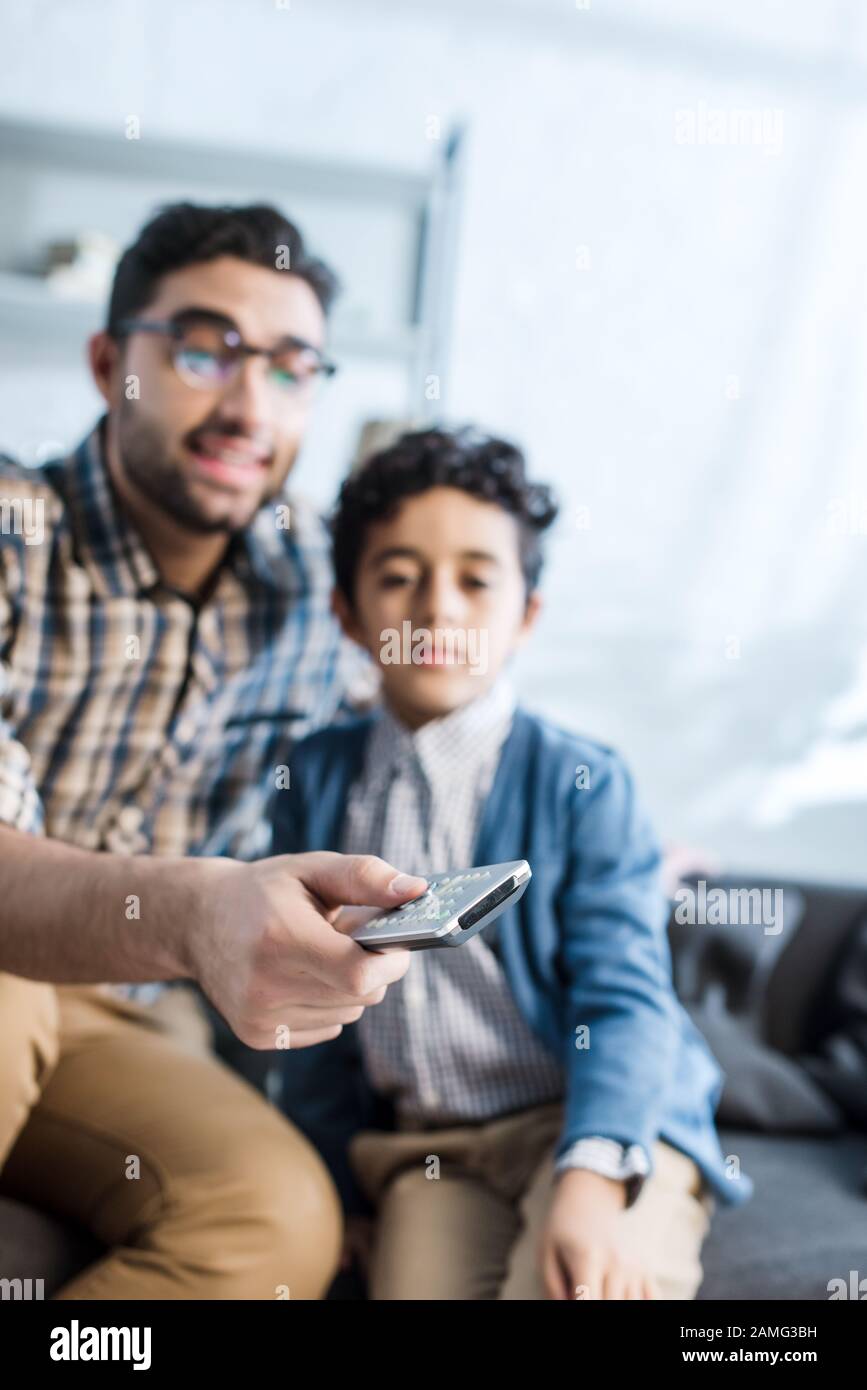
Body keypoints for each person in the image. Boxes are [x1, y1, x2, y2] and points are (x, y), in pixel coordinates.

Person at [0, 201, 428, 1299]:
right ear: (109, 363)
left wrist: (606, 832)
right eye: (204, 350)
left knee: (279, 1222)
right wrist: (196, 910)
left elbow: (448, 695)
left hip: (121, 1012)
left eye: (293, 369)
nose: (249, 406)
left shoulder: (306, 597)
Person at [274, 426, 753, 1301]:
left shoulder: (582, 783)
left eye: (475, 579)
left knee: (574, 1285)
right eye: (397, 576)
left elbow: (625, 999)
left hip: (593, 1119)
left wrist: (593, 1177)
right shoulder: (314, 777)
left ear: (526, 615)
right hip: (436, 1149)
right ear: (346, 612)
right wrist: (336, 1191)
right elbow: (307, 1023)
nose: (438, 609)